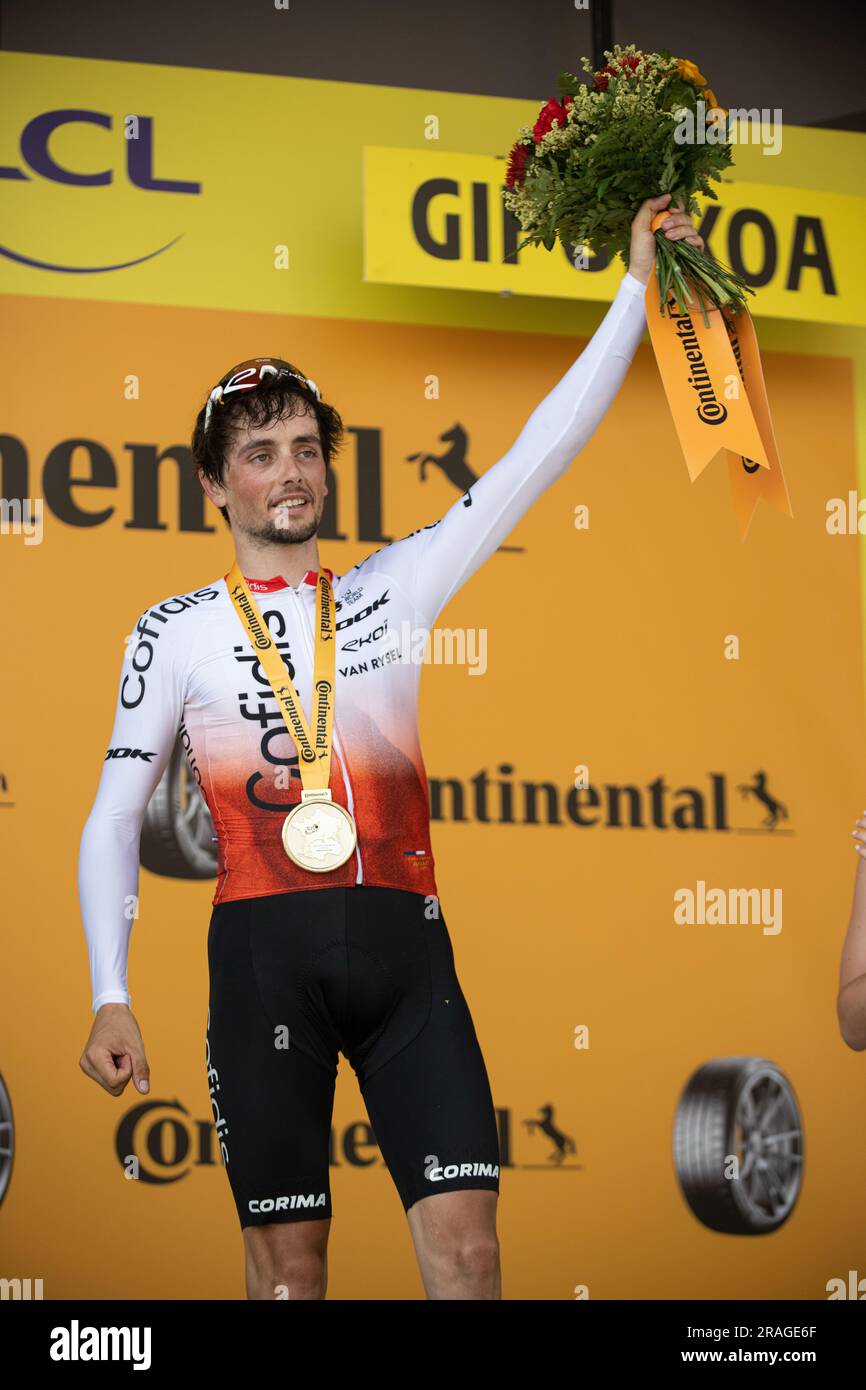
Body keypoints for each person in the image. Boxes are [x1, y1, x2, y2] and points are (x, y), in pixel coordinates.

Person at [78, 195, 704, 1300]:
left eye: (306, 448)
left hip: (409, 954)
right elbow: (115, 816)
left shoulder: (393, 587)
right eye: (260, 452)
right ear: (217, 485)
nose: (290, 470)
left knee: (468, 1255)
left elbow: (539, 449)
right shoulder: (172, 630)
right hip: (261, 962)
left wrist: (634, 285)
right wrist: (109, 989)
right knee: (288, 1273)